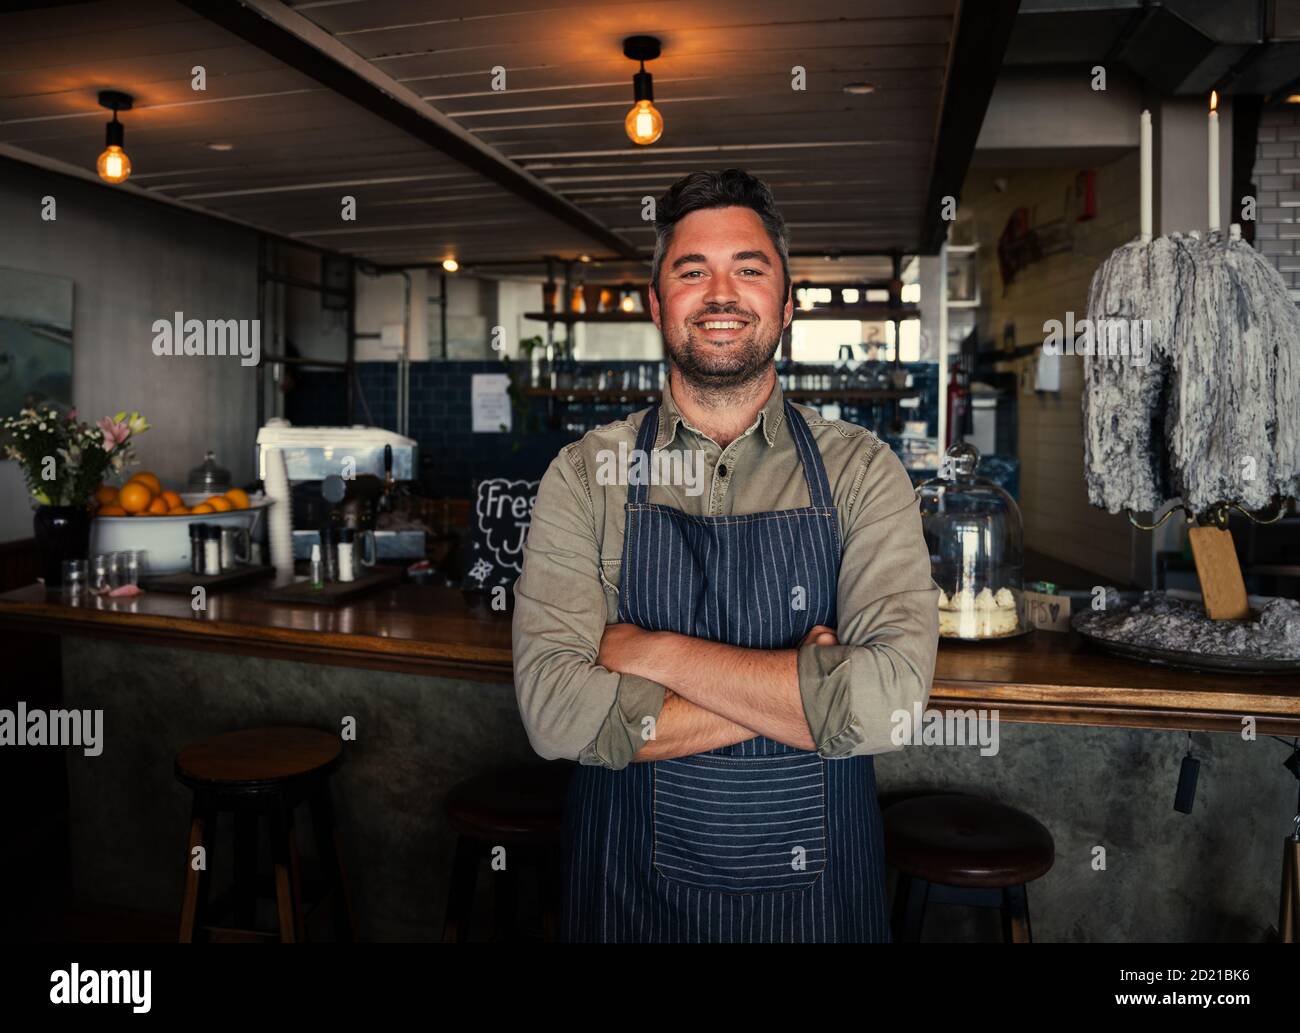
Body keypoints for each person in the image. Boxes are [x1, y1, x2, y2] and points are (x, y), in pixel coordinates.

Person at [512, 169, 938, 942]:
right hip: (625, 898)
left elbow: (892, 706)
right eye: (691, 270)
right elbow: (555, 716)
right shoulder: (584, 475)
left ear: (785, 299)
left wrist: (652, 651)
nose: (720, 294)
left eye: (748, 268)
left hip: (820, 907)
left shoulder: (861, 470)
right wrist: (805, 694)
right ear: (656, 303)